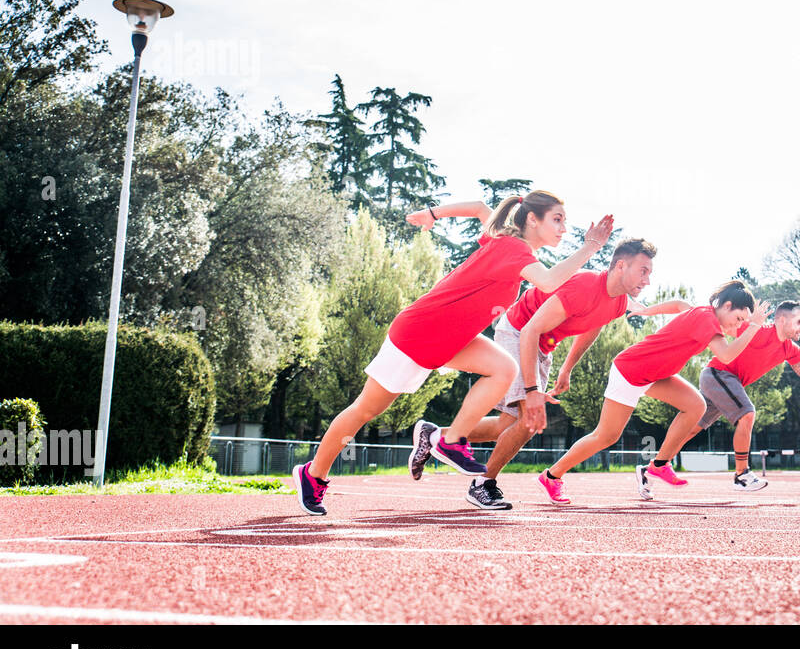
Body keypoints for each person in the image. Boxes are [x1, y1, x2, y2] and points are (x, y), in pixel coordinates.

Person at [291, 191, 613, 516]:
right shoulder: (512, 249)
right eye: (557, 219)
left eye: (564, 222)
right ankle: (313, 474)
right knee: (364, 411)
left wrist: (433, 213)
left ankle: (450, 439)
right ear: (533, 219)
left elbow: (477, 208)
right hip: (418, 334)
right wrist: (591, 246)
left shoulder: (502, 240)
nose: (563, 228)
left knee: (504, 368)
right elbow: (547, 282)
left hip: (450, 340)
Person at [413, 238, 690, 510]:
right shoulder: (584, 285)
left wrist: (567, 368)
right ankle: (483, 484)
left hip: (542, 344)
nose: (647, 280)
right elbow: (531, 330)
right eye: (643, 271)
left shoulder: (617, 302)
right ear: (620, 266)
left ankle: (436, 435)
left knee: (504, 426)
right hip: (519, 331)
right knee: (529, 419)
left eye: (650, 273)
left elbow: (591, 327)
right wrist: (533, 391)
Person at [537, 280, 770, 504]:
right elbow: (727, 355)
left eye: (743, 323)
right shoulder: (706, 319)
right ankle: (551, 476)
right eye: (739, 318)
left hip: (653, 375)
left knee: (695, 405)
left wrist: (648, 310)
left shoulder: (702, 314)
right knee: (606, 436)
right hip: (630, 371)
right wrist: (755, 326)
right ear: (726, 306)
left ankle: (658, 465)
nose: (738, 326)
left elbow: (679, 304)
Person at [690, 300, 800, 490]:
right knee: (747, 413)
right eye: (798, 322)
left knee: (691, 428)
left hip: (728, 384)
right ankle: (741, 474)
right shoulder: (757, 330)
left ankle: (653, 466)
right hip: (718, 374)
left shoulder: (790, 349)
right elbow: (721, 324)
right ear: (781, 320)